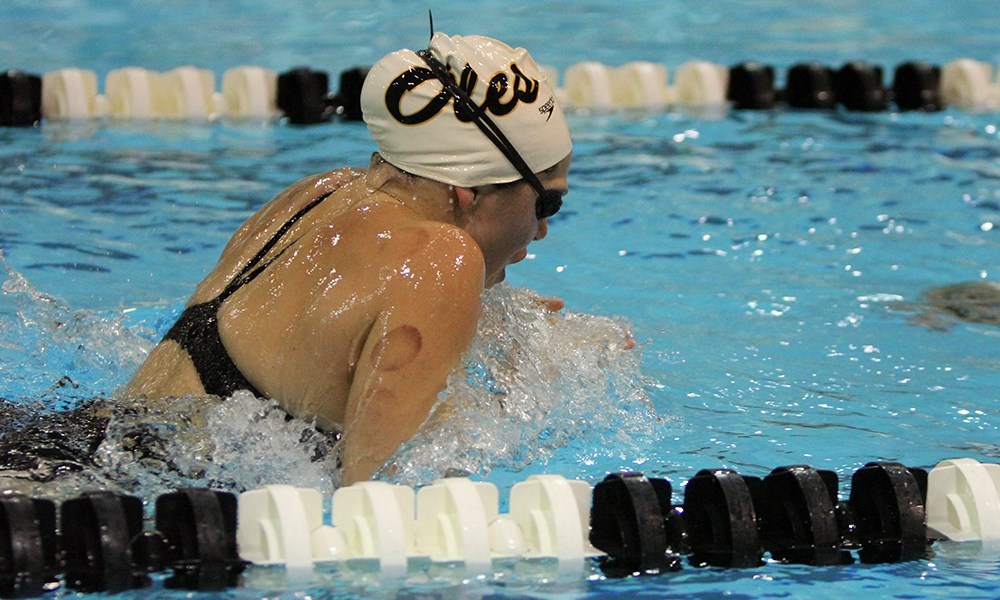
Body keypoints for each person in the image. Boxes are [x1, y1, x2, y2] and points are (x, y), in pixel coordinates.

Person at [123, 32, 573, 485]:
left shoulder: (323, 192)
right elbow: (378, 493)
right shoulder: (442, 259)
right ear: (467, 192)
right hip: (156, 500)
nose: (541, 230)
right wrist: (521, 394)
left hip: (103, 447)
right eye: (546, 204)